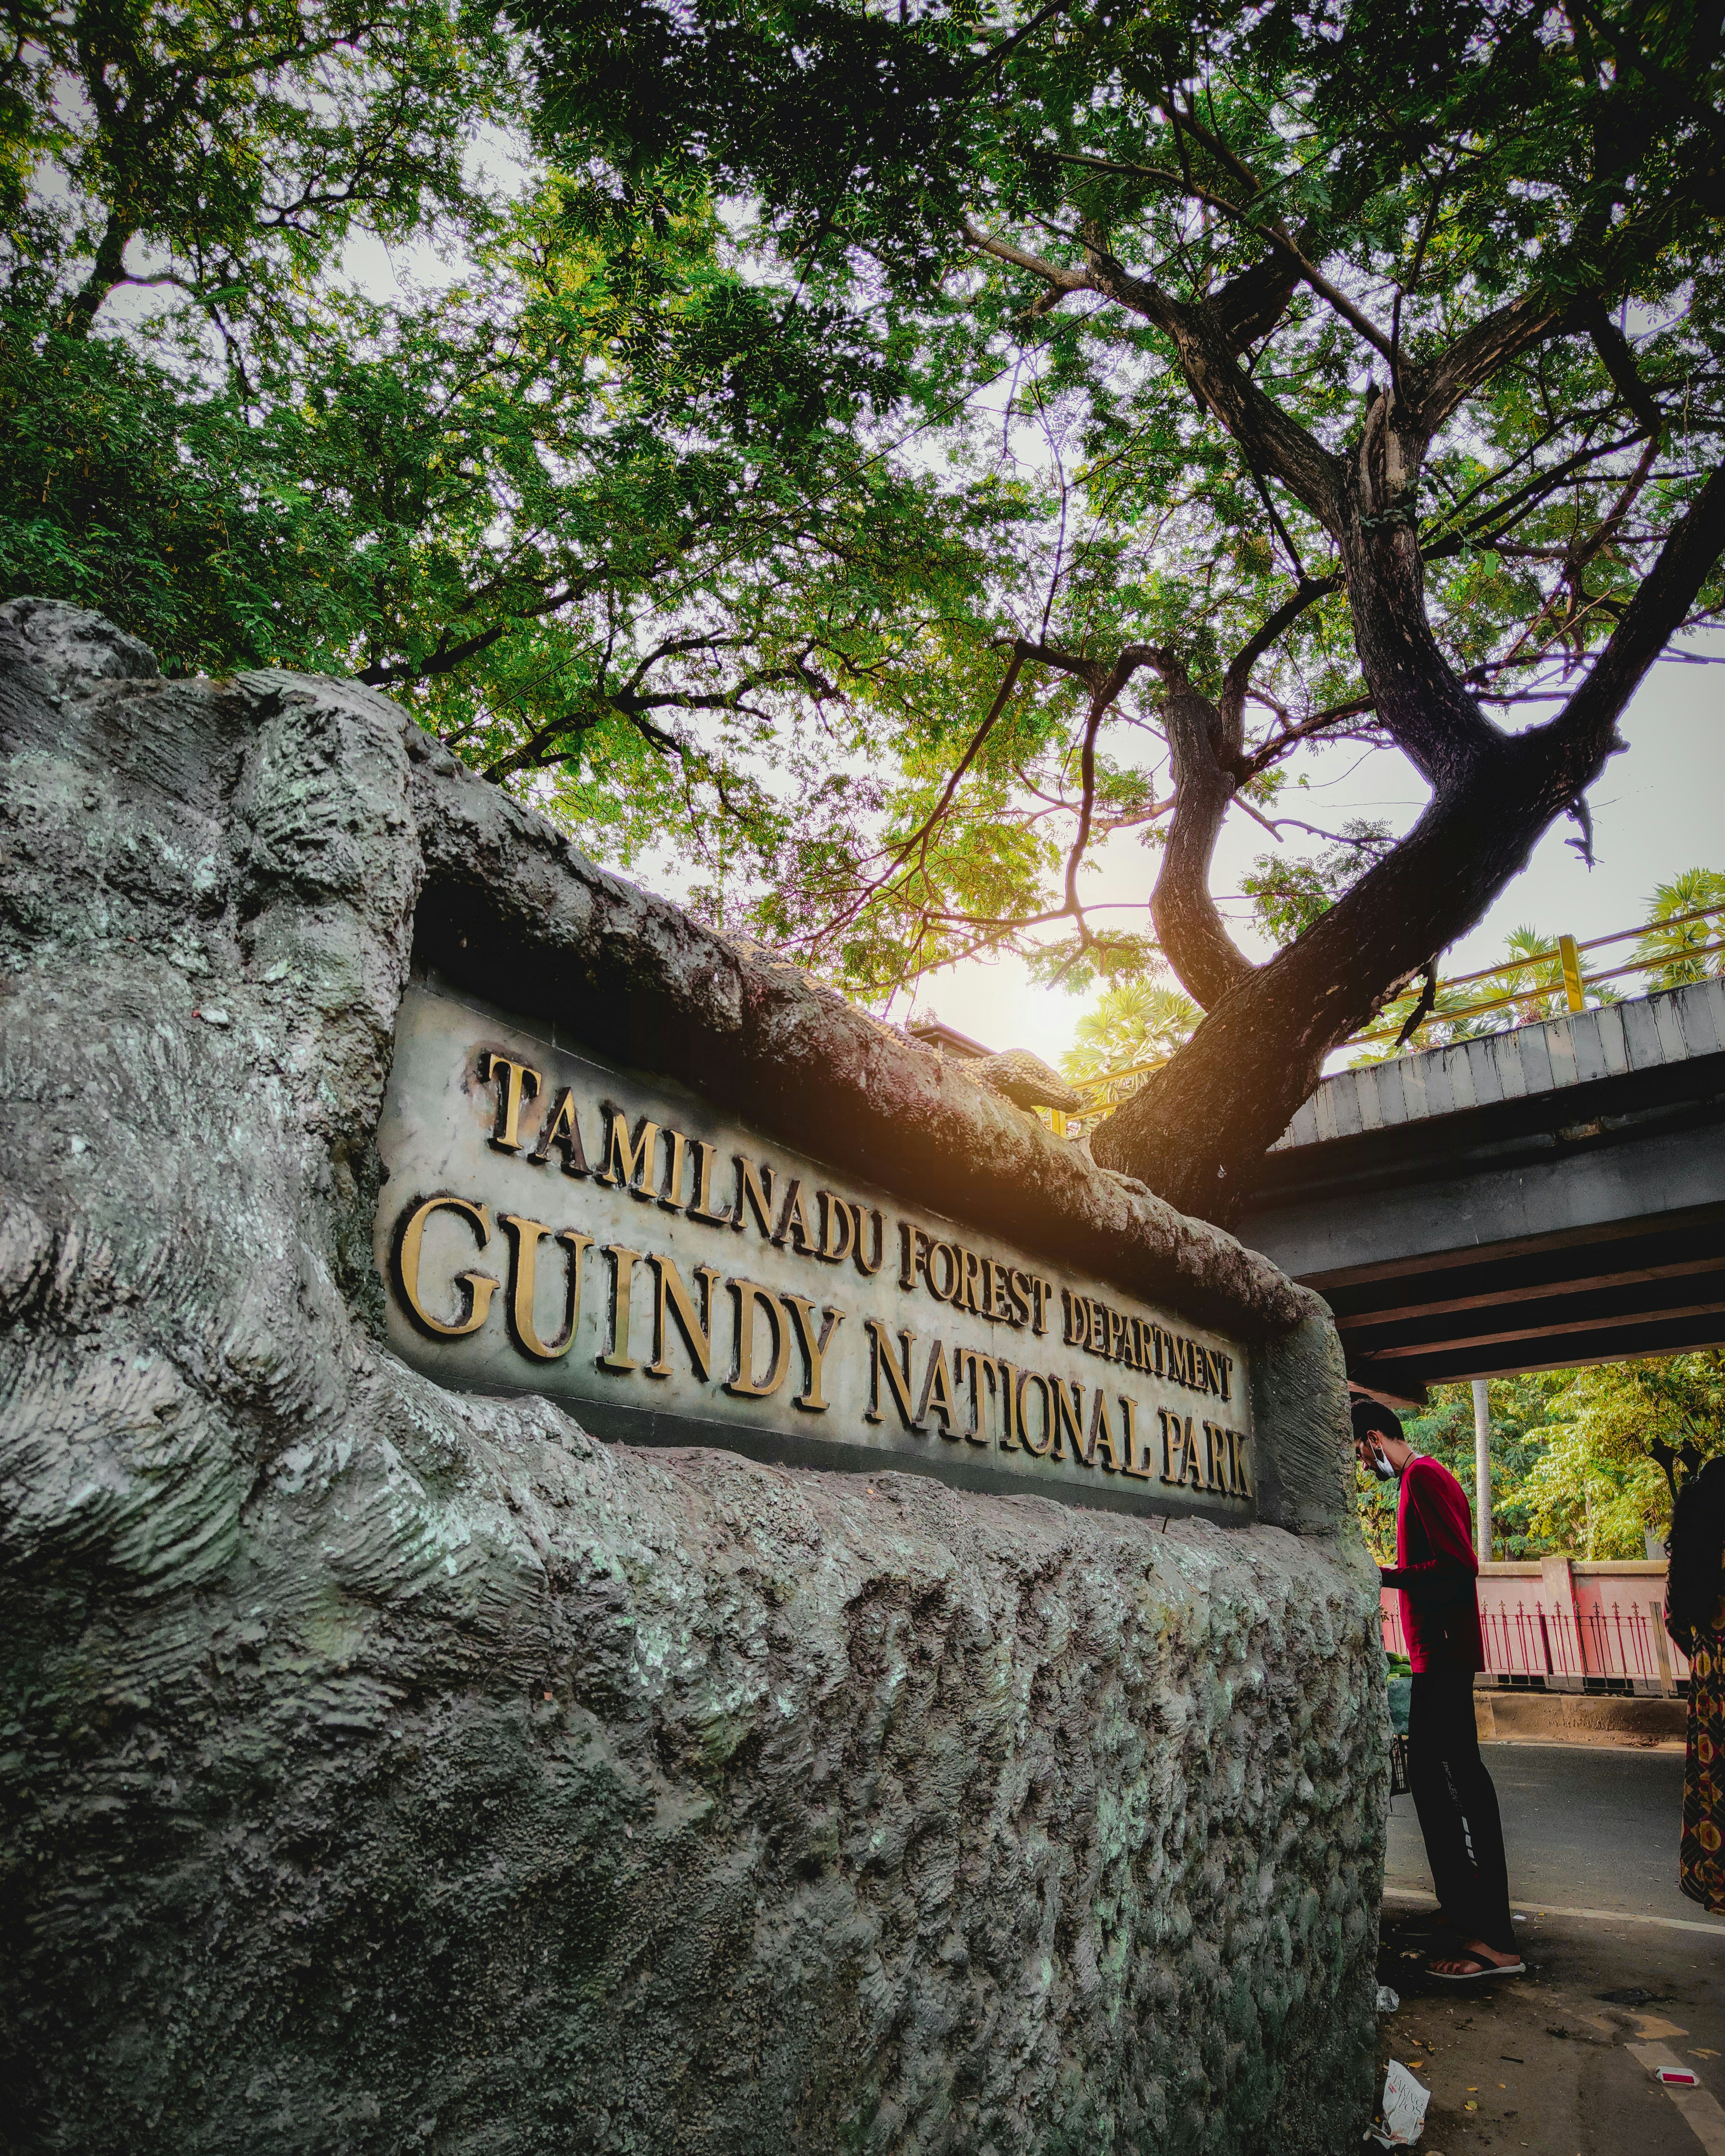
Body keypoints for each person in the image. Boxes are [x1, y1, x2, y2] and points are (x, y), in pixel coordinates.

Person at [1355, 1398, 1523, 1983]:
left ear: (1374, 1437)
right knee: (1432, 1781)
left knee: (1457, 1784)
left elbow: (1457, 1566)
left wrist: (1380, 1574)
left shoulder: (1422, 1476)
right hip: (1437, 1654)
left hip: (1444, 1656)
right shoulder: (1416, 1479)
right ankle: (1467, 1913)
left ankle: (1494, 1939)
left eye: (1359, 1452)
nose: (1362, 1465)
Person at [1665, 1455, 1725, 1913]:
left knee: (1715, 1787)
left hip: (1710, 1684)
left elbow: (1674, 1621)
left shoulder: (1688, 1547)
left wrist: (1708, 1655)